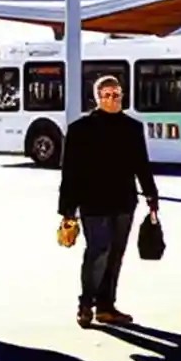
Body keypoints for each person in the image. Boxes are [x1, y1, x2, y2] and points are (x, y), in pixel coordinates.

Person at [58, 75, 159, 328]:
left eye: (116, 95)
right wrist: (67, 210)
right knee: (98, 252)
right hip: (92, 202)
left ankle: (106, 306)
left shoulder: (132, 128)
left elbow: (142, 165)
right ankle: (85, 304)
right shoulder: (80, 129)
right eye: (107, 95)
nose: (113, 100)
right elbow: (70, 172)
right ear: (97, 98)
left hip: (124, 200)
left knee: (115, 255)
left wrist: (151, 195)